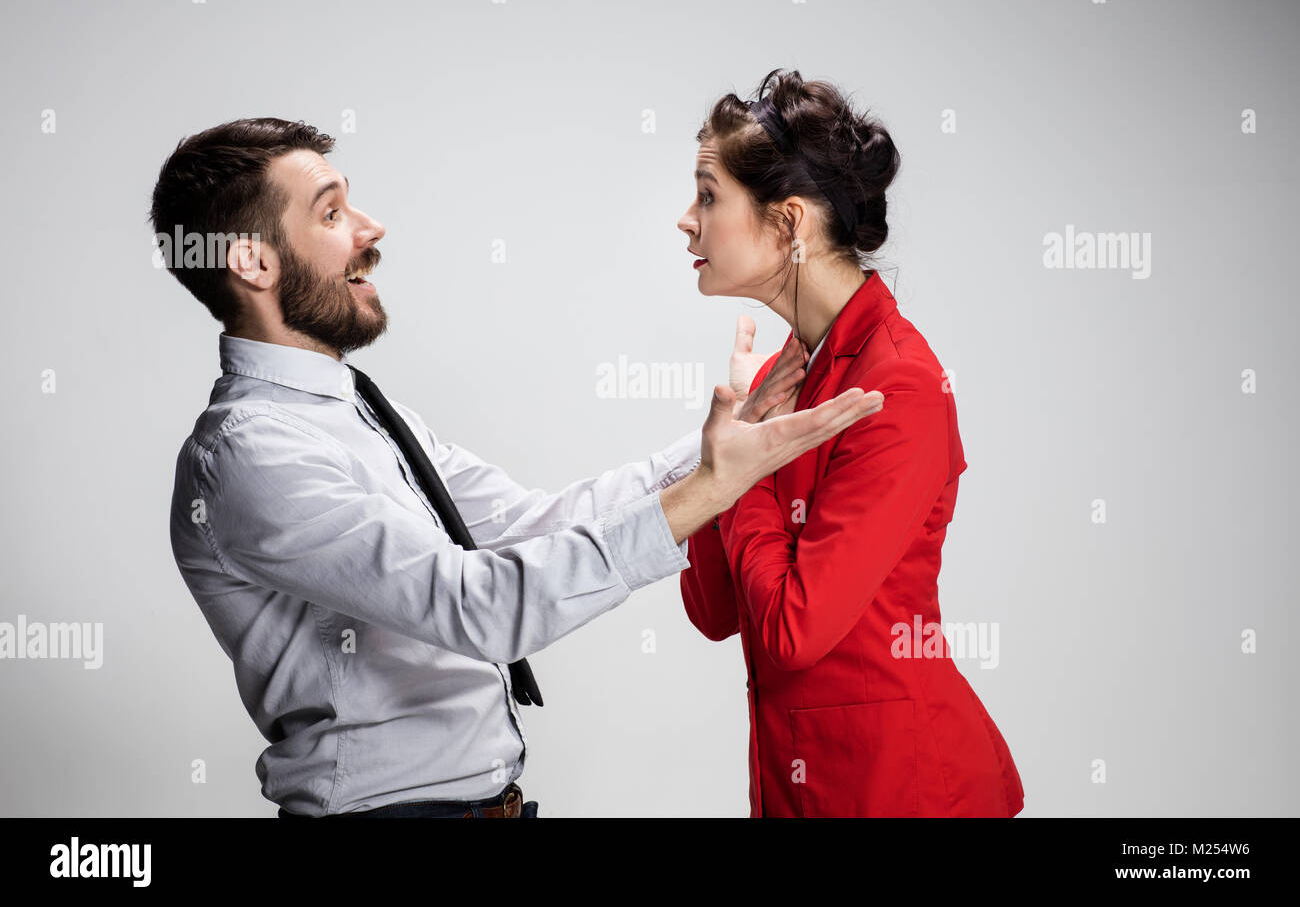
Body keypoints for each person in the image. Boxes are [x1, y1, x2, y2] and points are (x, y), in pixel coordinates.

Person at [153, 117, 882, 818]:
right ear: (253, 261)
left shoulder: (360, 412)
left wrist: (726, 445)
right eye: (333, 213)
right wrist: (709, 492)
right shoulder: (252, 453)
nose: (371, 229)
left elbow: (534, 524)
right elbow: (480, 608)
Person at [677, 69, 1025, 817]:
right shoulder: (780, 375)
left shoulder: (898, 385)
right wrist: (725, 461)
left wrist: (750, 468)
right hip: (805, 785)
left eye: (708, 195)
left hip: (905, 789)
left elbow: (790, 631)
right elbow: (710, 608)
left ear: (788, 223)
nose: (687, 220)